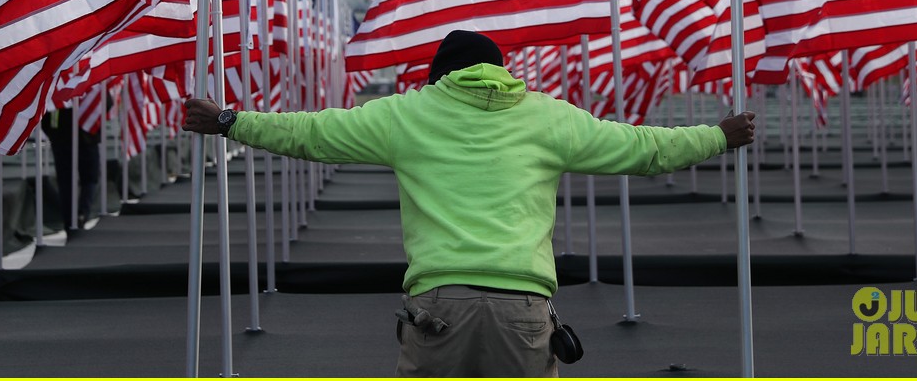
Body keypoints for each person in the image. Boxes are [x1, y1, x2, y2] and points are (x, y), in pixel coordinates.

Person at [183, 29, 754, 377]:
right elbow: (643, 148)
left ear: (440, 76)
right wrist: (718, 136)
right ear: (502, 70)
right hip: (524, 309)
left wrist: (230, 121)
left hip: (439, 307)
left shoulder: (407, 114)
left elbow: (310, 133)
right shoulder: (548, 117)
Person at [40, 106, 101, 233]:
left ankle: (72, 221)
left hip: (64, 139)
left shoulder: (58, 88)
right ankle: (81, 215)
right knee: (88, 179)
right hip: (84, 138)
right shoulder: (91, 87)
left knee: (68, 183)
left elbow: (45, 115)